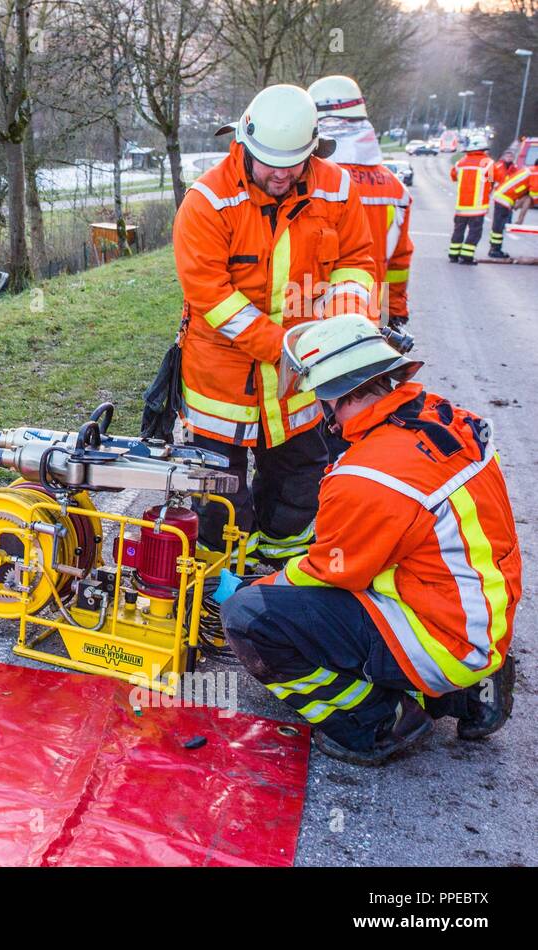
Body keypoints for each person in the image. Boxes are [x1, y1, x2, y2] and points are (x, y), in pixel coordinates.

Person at [220, 315, 520, 766]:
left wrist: (259, 588)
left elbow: (333, 571)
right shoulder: (446, 418)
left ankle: (376, 721)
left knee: (250, 618)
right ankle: (471, 690)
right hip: (482, 617)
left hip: (443, 635)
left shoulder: (368, 474)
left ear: (337, 397)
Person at [173, 83, 377, 564]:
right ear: (243, 144)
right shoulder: (207, 202)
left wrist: (346, 326)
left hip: (299, 384)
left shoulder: (336, 189)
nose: (281, 176)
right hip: (223, 384)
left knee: (299, 484)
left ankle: (280, 574)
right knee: (220, 496)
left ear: (312, 150)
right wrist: (283, 345)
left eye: (293, 164)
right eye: (270, 164)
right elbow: (211, 296)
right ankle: (222, 584)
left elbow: (357, 261)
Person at [307, 75, 413, 331]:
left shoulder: (308, 180)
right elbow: (399, 262)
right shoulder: (395, 189)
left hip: (307, 319)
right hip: (369, 320)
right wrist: (395, 311)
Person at [449, 136, 495, 264]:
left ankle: (453, 254)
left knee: (458, 230)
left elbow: (453, 177)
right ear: (483, 149)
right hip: (477, 207)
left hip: (461, 206)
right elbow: (491, 180)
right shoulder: (488, 162)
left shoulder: (460, 163)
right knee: (475, 232)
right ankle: (466, 256)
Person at [487, 165, 532, 258]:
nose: (510, 157)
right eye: (508, 155)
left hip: (510, 197)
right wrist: (490, 187)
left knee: (501, 223)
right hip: (502, 195)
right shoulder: (496, 166)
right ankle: (494, 249)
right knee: (498, 225)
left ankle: (494, 247)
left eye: (511, 156)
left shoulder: (514, 167)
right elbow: (490, 176)